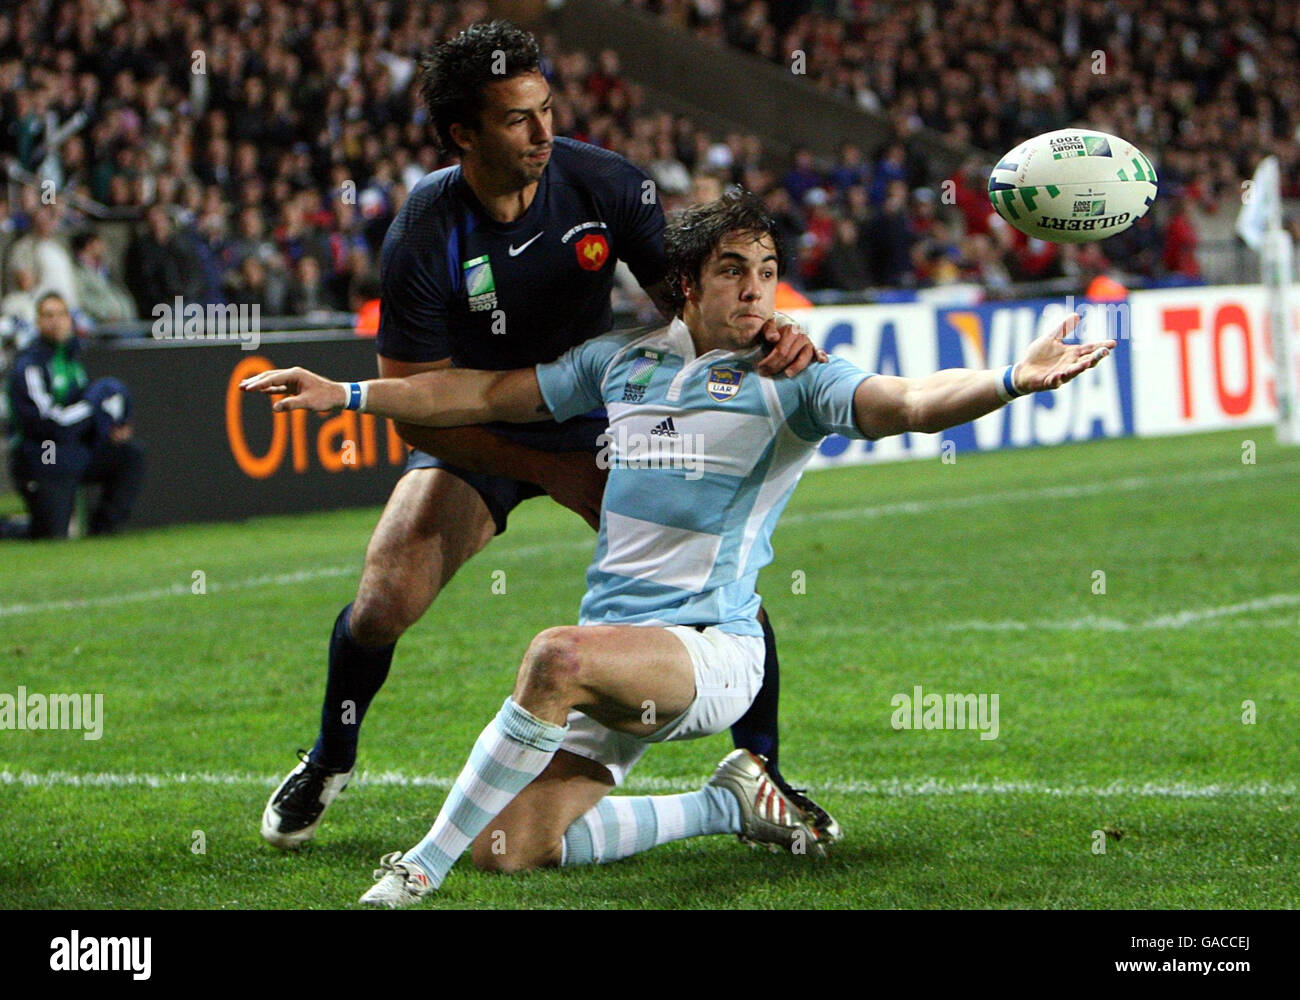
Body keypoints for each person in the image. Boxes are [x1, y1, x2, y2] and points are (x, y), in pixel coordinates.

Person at [242, 189, 1116, 905]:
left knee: (553, 654)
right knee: (513, 847)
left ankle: (414, 870)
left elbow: (910, 400)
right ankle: (722, 803)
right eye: (732, 271)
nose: (755, 291)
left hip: (711, 654)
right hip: (622, 656)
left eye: (768, 274)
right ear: (685, 287)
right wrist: (349, 392)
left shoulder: (795, 379)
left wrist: (1010, 378)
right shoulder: (620, 365)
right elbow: (479, 392)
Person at [258, 21, 830, 854]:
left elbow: (695, 300)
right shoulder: (424, 229)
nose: (544, 132)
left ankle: (760, 768)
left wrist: (775, 338)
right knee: (382, 602)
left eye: (547, 109)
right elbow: (419, 403)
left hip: (597, 413)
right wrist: (545, 472)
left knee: (713, 567)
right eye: (518, 118)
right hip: (476, 425)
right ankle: (330, 756)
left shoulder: (603, 185)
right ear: (464, 135)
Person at [5, 291, 145, 539]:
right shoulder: (29, 365)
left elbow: (80, 405)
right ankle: (14, 527)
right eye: (48, 315)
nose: (56, 321)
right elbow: (47, 424)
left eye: (61, 314)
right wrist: (94, 407)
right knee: (50, 535)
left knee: (129, 453)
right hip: (43, 456)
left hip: (74, 451)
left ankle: (103, 530)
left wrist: (109, 425)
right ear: (38, 322)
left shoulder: (72, 357)